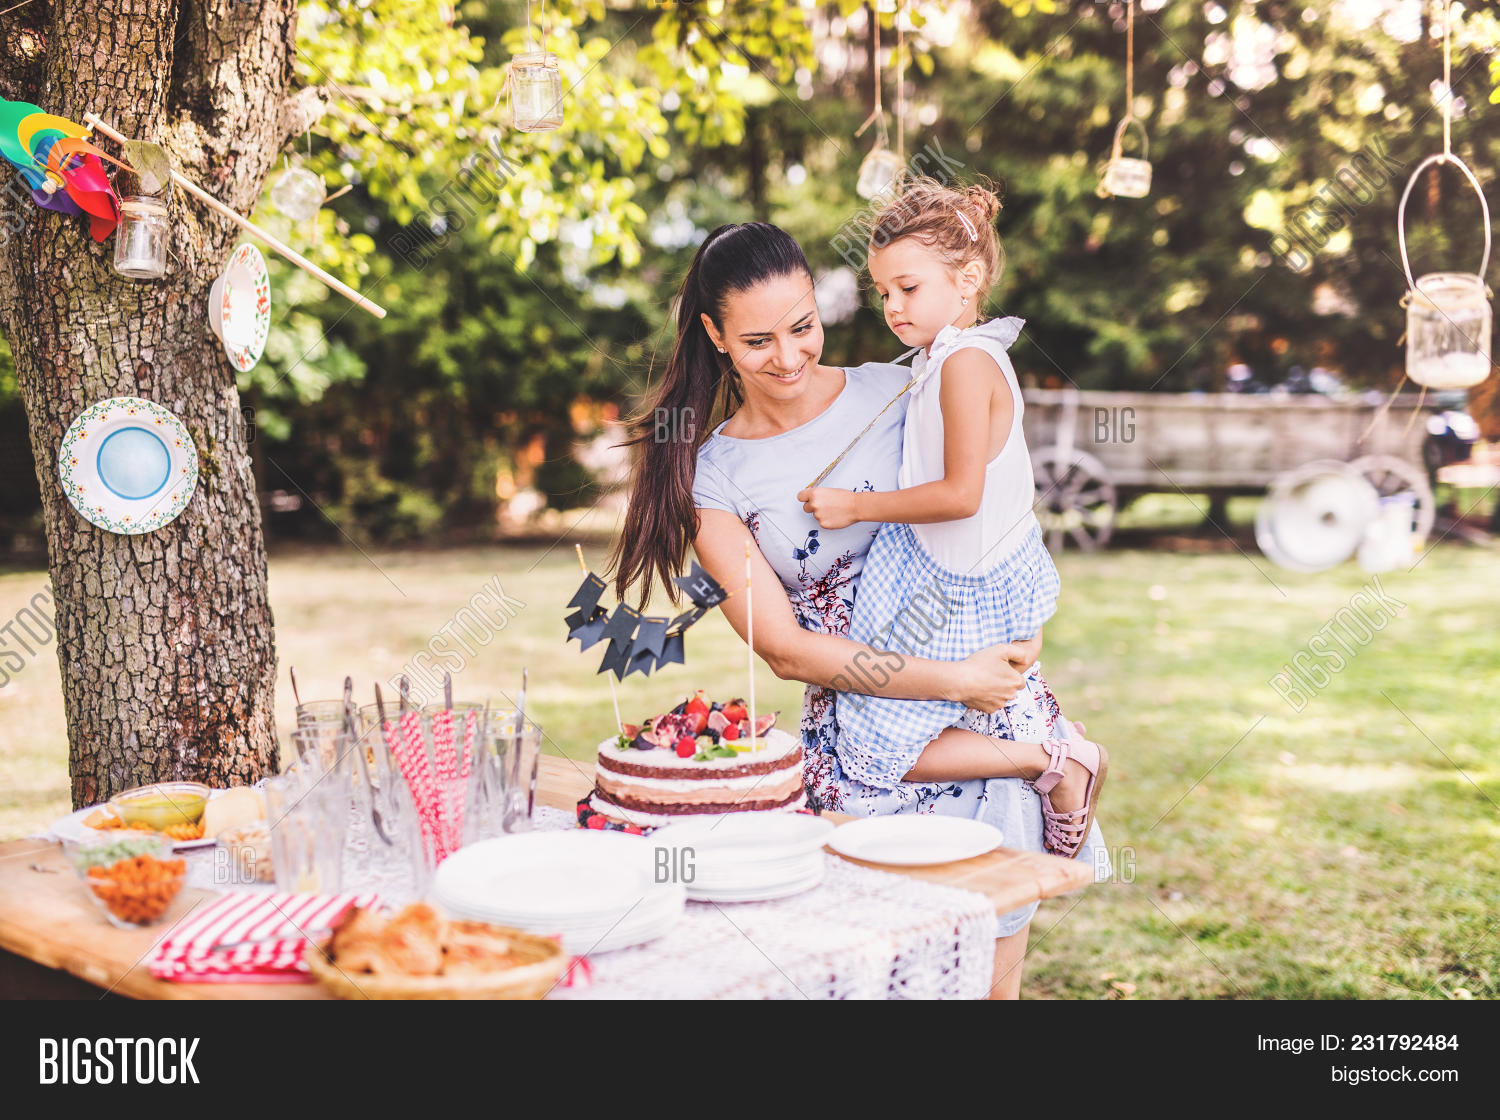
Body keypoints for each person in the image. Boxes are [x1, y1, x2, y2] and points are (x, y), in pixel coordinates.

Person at [611, 221, 1105, 999]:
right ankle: (1053, 756)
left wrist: (1017, 636)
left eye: (802, 327)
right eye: (757, 340)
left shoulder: (903, 387)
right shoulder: (714, 481)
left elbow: (994, 510)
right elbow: (784, 650)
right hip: (866, 754)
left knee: (990, 986)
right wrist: (955, 680)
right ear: (714, 336)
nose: (788, 357)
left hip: (981, 724)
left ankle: (1055, 758)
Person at [796, 176, 1107, 860]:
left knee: (878, 750)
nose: (892, 306)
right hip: (937, 567)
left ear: (966, 280)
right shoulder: (940, 360)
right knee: (881, 741)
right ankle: (1051, 760)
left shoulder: (968, 363)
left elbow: (961, 493)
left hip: (961, 580)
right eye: (882, 292)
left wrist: (856, 507)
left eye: (908, 288)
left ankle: (1058, 761)